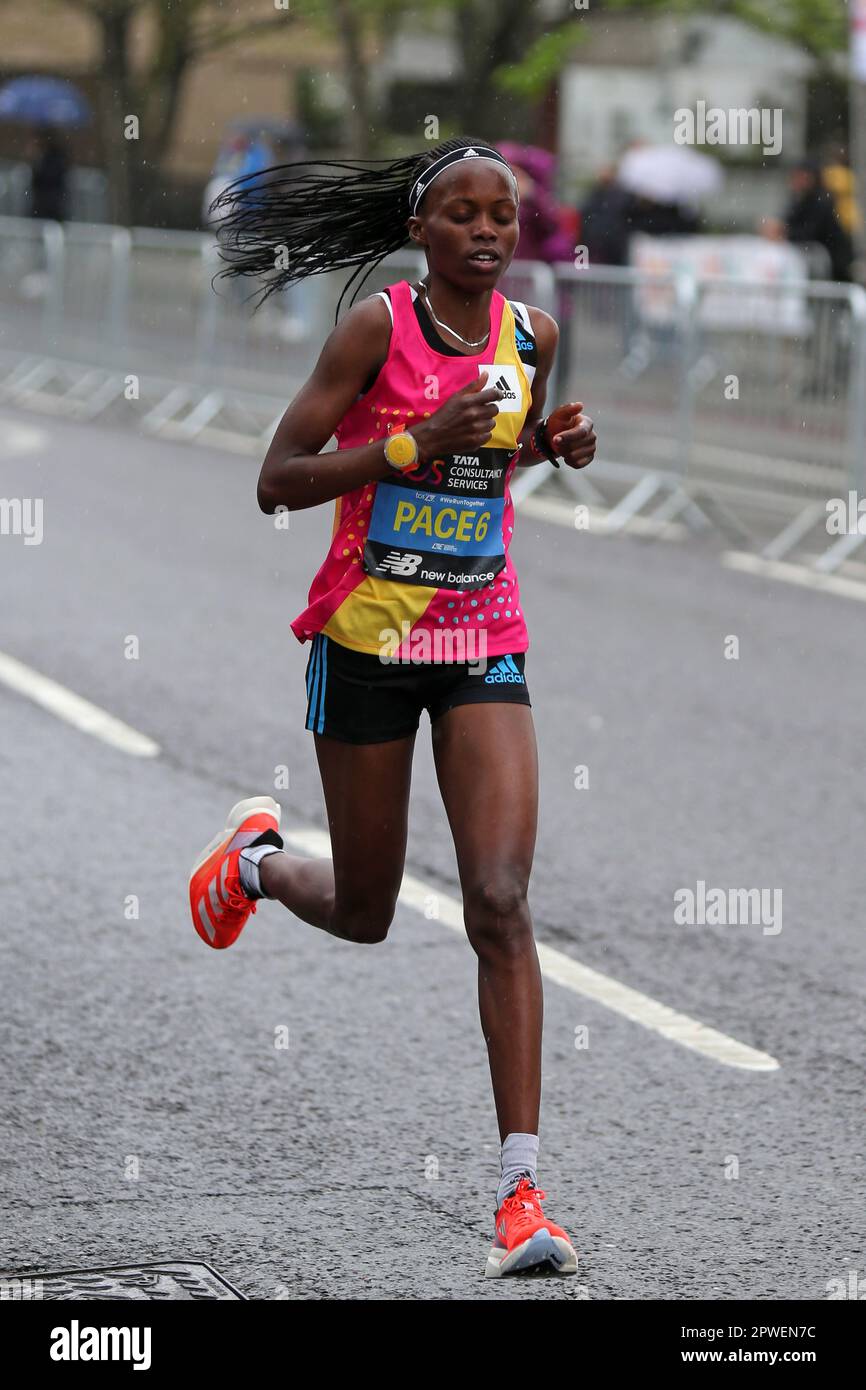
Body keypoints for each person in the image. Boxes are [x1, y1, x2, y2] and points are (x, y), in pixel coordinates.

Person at [189, 136, 598, 1278]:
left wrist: (547, 445)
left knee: (501, 899)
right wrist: (409, 441)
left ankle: (520, 1191)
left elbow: (495, 458)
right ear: (420, 231)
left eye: (501, 219)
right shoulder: (379, 329)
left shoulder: (533, 337)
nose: (484, 232)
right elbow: (278, 476)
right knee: (366, 907)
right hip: (366, 633)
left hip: (480, 634)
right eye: (461, 215)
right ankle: (258, 862)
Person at [784, 159, 854, 282]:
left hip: (833, 270)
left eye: (801, 177)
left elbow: (809, 232)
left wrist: (784, 233)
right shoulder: (798, 201)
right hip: (817, 268)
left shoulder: (822, 202)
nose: (797, 181)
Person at [29, 131, 68, 222]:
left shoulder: (52, 158)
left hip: (49, 202)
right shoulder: (55, 157)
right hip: (49, 202)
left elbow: (47, 178)